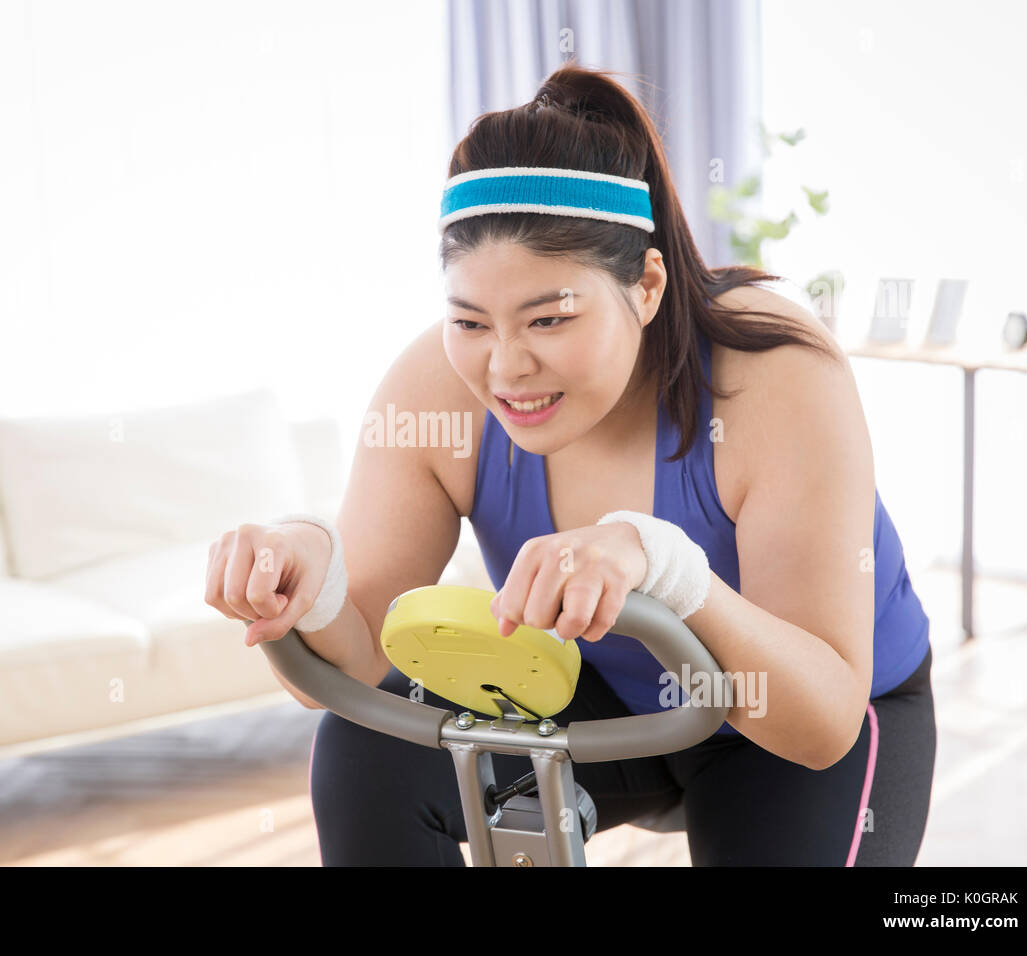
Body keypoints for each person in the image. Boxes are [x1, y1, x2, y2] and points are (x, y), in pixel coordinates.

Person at [204, 61, 936, 866]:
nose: (505, 367)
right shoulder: (436, 389)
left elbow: (821, 720)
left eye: (549, 319)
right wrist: (308, 581)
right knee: (365, 751)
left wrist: (665, 565)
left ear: (647, 285)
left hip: (795, 724)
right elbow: (355, 665)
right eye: (471, 321)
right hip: (605, 700)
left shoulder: (772, 371)